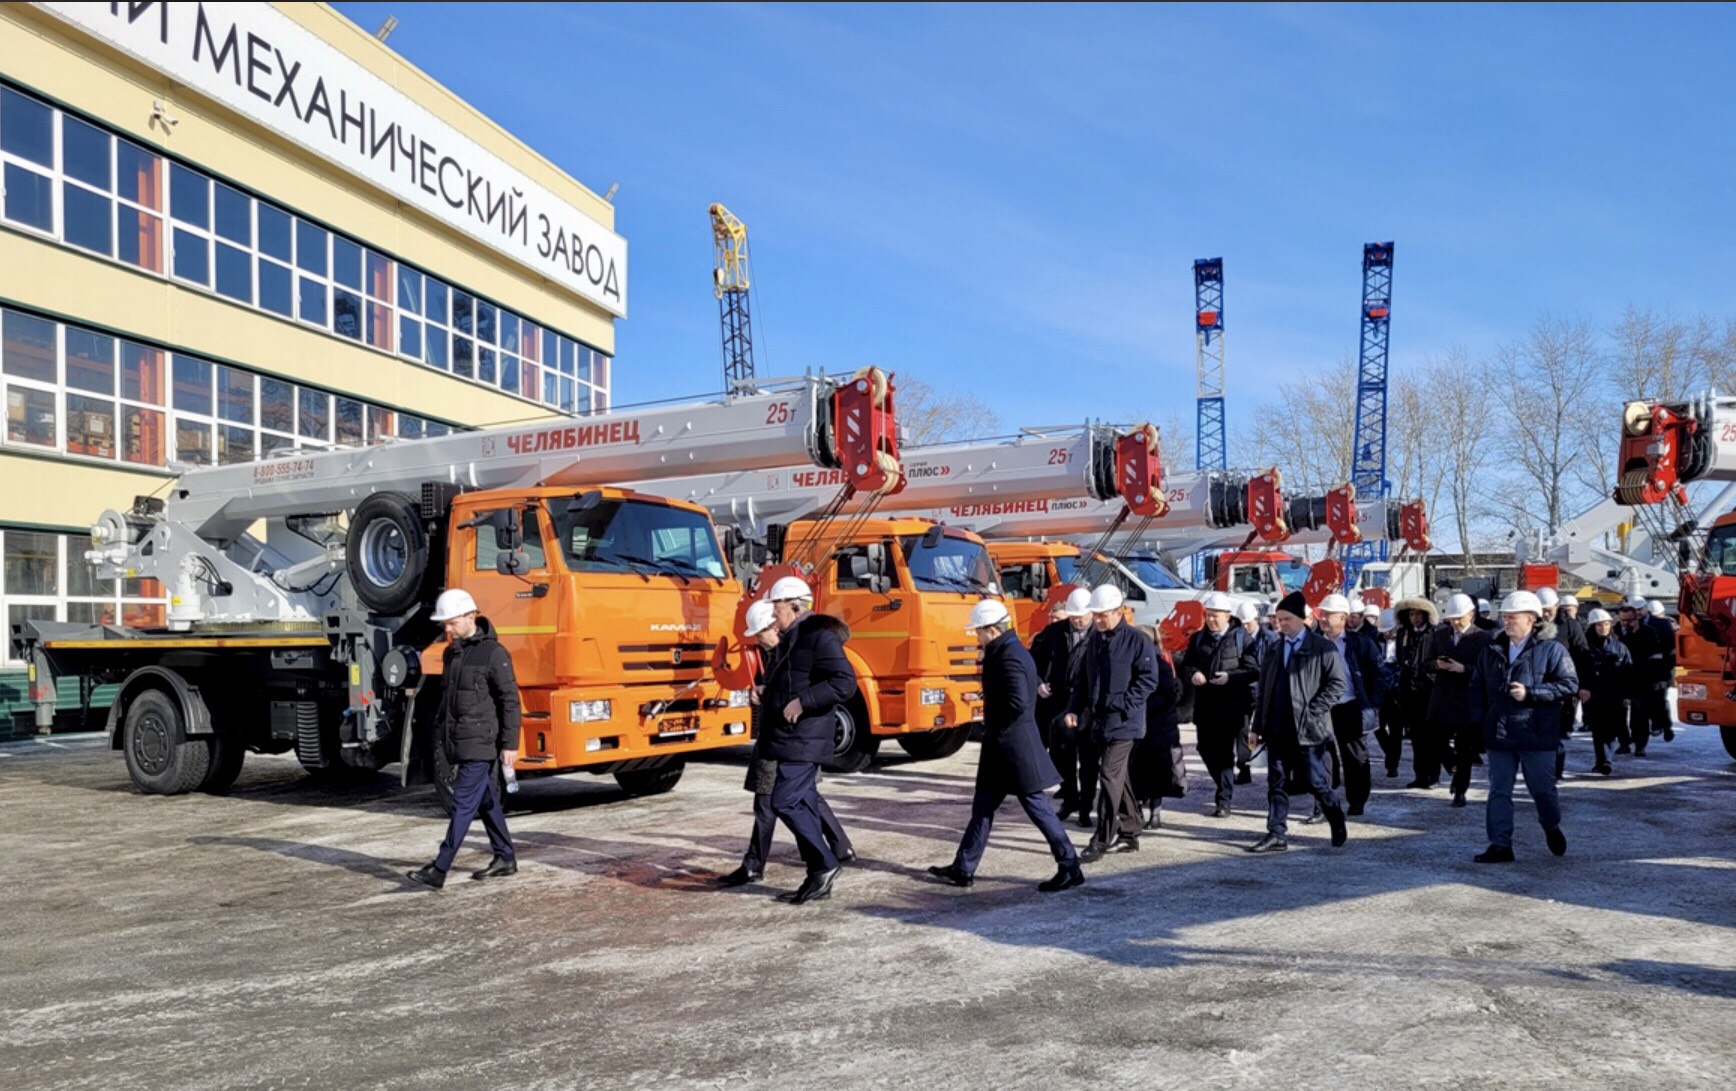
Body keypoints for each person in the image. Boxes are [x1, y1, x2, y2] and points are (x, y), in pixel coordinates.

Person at [929, 600, 1084, 892]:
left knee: (1037, 807)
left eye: (979, 631)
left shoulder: (1010, 655)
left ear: (992, 629)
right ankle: (964, 868)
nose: (976, 636)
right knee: (983, 807)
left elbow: (1016, 703)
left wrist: (988, 713)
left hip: (1014, 747)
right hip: (1000, 746)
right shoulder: (1003, 651)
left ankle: (1070, 865)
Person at [719, 600, 854, 888]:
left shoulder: (795, 646)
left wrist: (797, 701)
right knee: (798, 797)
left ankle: (810, 861)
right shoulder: (781, 650)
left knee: (774, 800)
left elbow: (838, 683)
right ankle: (835, 850)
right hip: (783, 737)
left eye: (760, 633)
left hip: (789, 738)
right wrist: (766, 692)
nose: (758, 640)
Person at [408, 589, 521, 890]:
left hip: (482, 742)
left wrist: (510, 744)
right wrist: (442, 741)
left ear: (471, 616)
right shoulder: (452, 653)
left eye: (452, 623)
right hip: (460, 741)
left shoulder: (494, 654)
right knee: (486, 802)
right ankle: (505, 857)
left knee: (462, 804)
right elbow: (447, 703)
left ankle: (439, 868)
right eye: (444, 624)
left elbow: (510, 700)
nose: (447, 630)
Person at [757, 575, 858, 905]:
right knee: (798, 802)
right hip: (790, 738)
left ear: (796, 605)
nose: (773, 615)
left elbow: (844, 682)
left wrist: (805, 702)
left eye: (777, 608)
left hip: (806, 738)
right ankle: (819, 872)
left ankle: (825, 865)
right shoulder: (793, 638)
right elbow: (792, 681)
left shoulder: (818, 637)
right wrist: (768, 694)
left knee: (784, 801)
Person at [1468, 590, 1577, 863]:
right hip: (1500, 733)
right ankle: (1500, 844)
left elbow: (1568, 685)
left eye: (1512, 617)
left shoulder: (1552, 649)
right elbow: (1476, 687)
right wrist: (1481, 720)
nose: (1506, 622)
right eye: (1504, 616)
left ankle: (1550, 824)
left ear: (1531, 619)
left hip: (1536, 733)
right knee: (1499, 790)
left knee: (1542, 789)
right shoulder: (1490, 651)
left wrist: (1531, 693)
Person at [1247, 591, 1349, 853]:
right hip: (1278, 728)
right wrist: (1257, 727)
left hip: (1309, 730)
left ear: (1303, 619)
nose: (1282, 624)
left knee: (1315, 781)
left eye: (1287, 619)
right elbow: (1264, 691)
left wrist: (1315, 710)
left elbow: (1337, 684)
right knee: (1276, 783)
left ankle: (1336, 817)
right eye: (1279, 619)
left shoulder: (1321, 647)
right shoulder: (1274, 648)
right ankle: (1276, 833)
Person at [1066, 584, 1159, 862]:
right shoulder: (1095, 640)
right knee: (1119, 778)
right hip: (1100, 721)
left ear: (1119, 612)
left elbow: (1148, 680)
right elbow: (1083, 679)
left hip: (1125, 723)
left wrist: (1123, 704)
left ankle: (1102, 838)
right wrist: (1074, 709)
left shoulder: (1137, 640)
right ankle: (1130, 830)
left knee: (1108, 774)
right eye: (1095, 615)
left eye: (1103, 615)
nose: (1098, 620)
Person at [1178, 592, 1258, 818]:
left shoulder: (1241, 637)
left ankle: (1224, 800)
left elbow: (1254, 670)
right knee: (1204, 748)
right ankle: (1226, 782)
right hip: (1205, 704)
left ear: (1227, 616)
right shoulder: (1198, 638)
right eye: (1208, 615)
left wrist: (1230, 678)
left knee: (1223, 753)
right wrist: (1193, 674)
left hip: (1232, 706)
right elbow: (1187, 664)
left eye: (1215, 616)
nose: (1211, 620)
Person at [1314, 593, 1384, 816]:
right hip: (1321, 708)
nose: (1323, 618)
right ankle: (1322, 802)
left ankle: (1357, 801)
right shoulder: (1313, 643)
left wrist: (1373, 703)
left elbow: (1378, 674)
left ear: (1343, 618)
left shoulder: (1361, 643)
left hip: (1351, 705)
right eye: (1322, 614)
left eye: (1328, 615)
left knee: (1354, 756)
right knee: (1321, 755)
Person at [1030, 587, 1094, 822]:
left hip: (1087, 704)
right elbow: (1034, 658)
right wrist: (1038, 682)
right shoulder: (1056, 631)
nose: (1078, 621)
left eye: (1082, 616)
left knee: (1087, 759)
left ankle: (1086, 807)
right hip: (1059, 702)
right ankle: (1070, 799)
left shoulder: (1098, 634)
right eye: (1074, 616)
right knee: (1061, 755)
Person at [1427, 593, 1494, 808]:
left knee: (1465, 748)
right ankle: (1452, 767)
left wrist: (1463, 668)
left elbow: (1488, 670)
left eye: (1459, 618)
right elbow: (1425, 663)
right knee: (1434, 740)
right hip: (1442, 697)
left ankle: (1460, 791)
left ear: (1471, 615)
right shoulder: (1440, 636)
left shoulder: (1484, 638)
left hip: (1468, 698)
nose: (1455, 623)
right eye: (1452, 619)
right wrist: (1437, 664)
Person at [1131, 623, 1186, 829]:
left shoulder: (1159, 665)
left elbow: (1169, 696)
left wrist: (1140, 704)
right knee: (1137, 772)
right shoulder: (1137, 662)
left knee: (1154, 772)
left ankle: (1154, 813)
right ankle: (1137, 811)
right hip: (1144, 726)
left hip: (1157, 727)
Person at [1539, 588, 1590, 779]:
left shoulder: (1570, 626)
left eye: (1548, 608)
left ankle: (1555, 771)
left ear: (1556, 606)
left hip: (1562, 687)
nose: (1545, 613)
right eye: (1542, 609)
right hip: (1538, 686)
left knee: (1558, 733)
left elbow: (1583, 656)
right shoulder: (1534, 626)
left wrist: (1582, 685)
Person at [1393, 596, 1441, 787]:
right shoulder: (1404, 634)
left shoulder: (1435, 633)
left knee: (1432, 737)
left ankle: (1434, 776)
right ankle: (1420, 775)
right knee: (1416, 738)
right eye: (1411, 614)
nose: (1415, 618)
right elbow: (1400, 659)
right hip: (1410, 692)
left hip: (1429, 691)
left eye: (1418, 614)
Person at [1579, 608, 1633, 776]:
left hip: (1615, 696)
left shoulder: (1620, 648)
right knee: (1598, 730)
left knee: (1610, 730)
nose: (1603, 628)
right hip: (1594, 696)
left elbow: (1628, 672)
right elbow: (1579, 670)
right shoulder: (1585, 648)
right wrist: (1582, 688)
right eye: (1599, 625)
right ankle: (1602, 761)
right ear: (1593, 626)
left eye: (1606, 624)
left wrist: (1627, 695)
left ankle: (1606, 761)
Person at [1616, 598, 1664, 757]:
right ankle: (1624, 743)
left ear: (1636, 618)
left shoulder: (1648, 632)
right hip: (1619, 679)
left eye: (1629, 620)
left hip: (1641, 679)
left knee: (1640, 714)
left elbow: (1651, 655)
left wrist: (1635, 634)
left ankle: (1640, 744)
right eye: (1623, 620)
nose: (1625, 623)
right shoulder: (1613, 631)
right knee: (1619, 714)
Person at [1236, 601, 1277, 785]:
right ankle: (1244, 768)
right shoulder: (1237, 637)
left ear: (1256, 620)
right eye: (1242, 623)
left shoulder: (1270, 639)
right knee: (1243, 732)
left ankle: (1275, 771)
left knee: (1267, 730)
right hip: (1244, 692)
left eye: (1248, 623)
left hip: (1263, 692)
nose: (1245, 626)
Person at [1373, 607, 1406, 778]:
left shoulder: (1404, 641)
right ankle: (1390, 752)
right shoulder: (1375, 642)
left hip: (1398, 693)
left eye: (1391, 631)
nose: (1388, 634)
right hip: (1381, 692)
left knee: (1396, 730)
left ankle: (1392, 764)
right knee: (1377, 727)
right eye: (1385, 632)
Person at [1644, 599, 1678, 743]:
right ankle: (1664, 726)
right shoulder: (1665, 624)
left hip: (1654, 670)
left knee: (1654, 700)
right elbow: (1671, 649)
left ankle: (1659, 725)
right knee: (1660, 700)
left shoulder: (1648, 624)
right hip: (1662, 669)